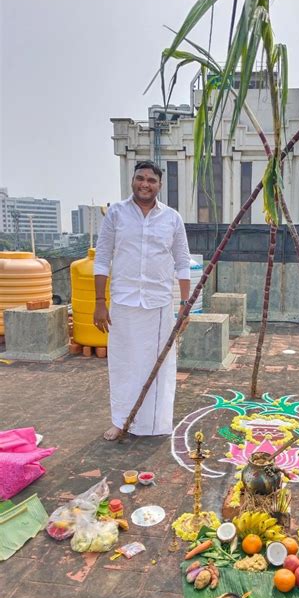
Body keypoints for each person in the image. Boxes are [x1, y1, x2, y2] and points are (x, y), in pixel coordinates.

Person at [93, 161, 191, 441]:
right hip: (123, 303)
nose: (145, 184)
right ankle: (121, 421)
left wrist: (185, 305)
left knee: (158, 364)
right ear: (133, 181)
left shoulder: (172, 218)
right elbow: (102, 258)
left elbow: (183, 262)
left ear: (160, 186)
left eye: (151, 180)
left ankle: (156, 423)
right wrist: (100, 301)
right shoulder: (116, 214)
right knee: (124, 364)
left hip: (159, 303)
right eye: (140, 178)